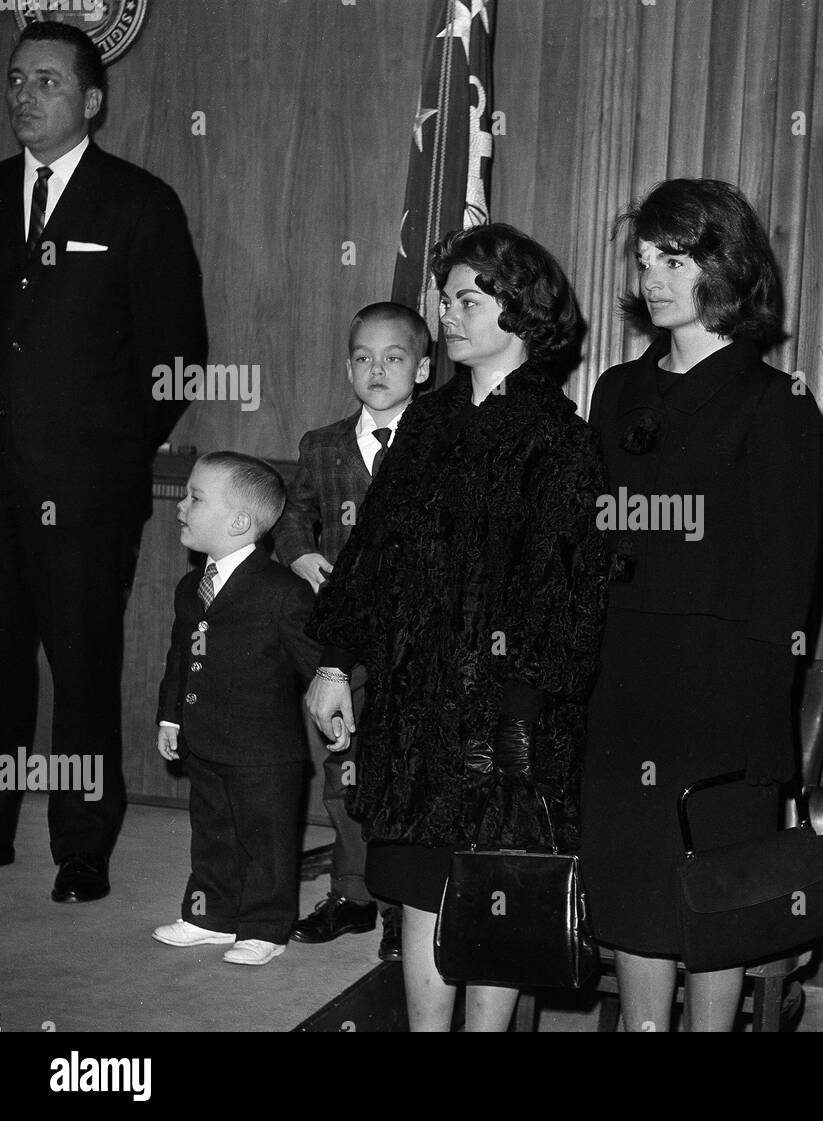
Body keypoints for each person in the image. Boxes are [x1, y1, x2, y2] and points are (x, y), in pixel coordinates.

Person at [304, 223, 607, 1032]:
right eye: (446, 299)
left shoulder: (559, 438)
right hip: (417, 708)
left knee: (492, 889)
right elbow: (373, 553)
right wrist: (335, 663)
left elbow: (566, 597)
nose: (447, 314)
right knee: (418, 884)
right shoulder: (427, 422)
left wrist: (517, 728)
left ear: (521, 307)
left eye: (468, 299)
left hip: (508, 722)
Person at [579, 178, 823, 1032]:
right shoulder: (616, 389)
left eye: (676, 260)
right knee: (635, 884)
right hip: (621, 673)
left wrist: (766, 728)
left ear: (725, 267)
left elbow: (788, 578)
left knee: (712, 889)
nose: (653, 277)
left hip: (721, 685)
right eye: (645, 259)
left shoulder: (776, 402)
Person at [0, 21, 207, 900]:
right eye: (16, 79)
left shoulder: (139, 203)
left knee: (81, 668)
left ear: (91, 99)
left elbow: (179, 355)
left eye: (46, 81)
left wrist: (115, 450)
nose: (24, 95)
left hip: (86, 489)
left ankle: (83, 846)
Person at [278, 302, 433, 962]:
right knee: (344, 764)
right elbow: (292, 516)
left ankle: (404, 905)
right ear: (347, 369)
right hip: (343, 638)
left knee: (406, 769)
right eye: (364, 358)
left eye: (394, 358)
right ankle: (353, 892)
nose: (377, 370)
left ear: (422, 369)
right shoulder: (323, 445)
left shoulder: (440, 443)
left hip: (416, 639)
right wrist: (299, 552)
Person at [152, 453, 319, 966]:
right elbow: (181, 658)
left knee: (265, 841)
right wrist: (171, 716)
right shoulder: (191, 587)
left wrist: (334, 699)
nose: (181, 506)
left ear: (239, 522)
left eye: (196, 498)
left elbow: (317, 662)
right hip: (205, 740)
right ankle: (211, 916)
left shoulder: (283, 592)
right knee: (212, 833)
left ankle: (265, 927)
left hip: (265, 752)